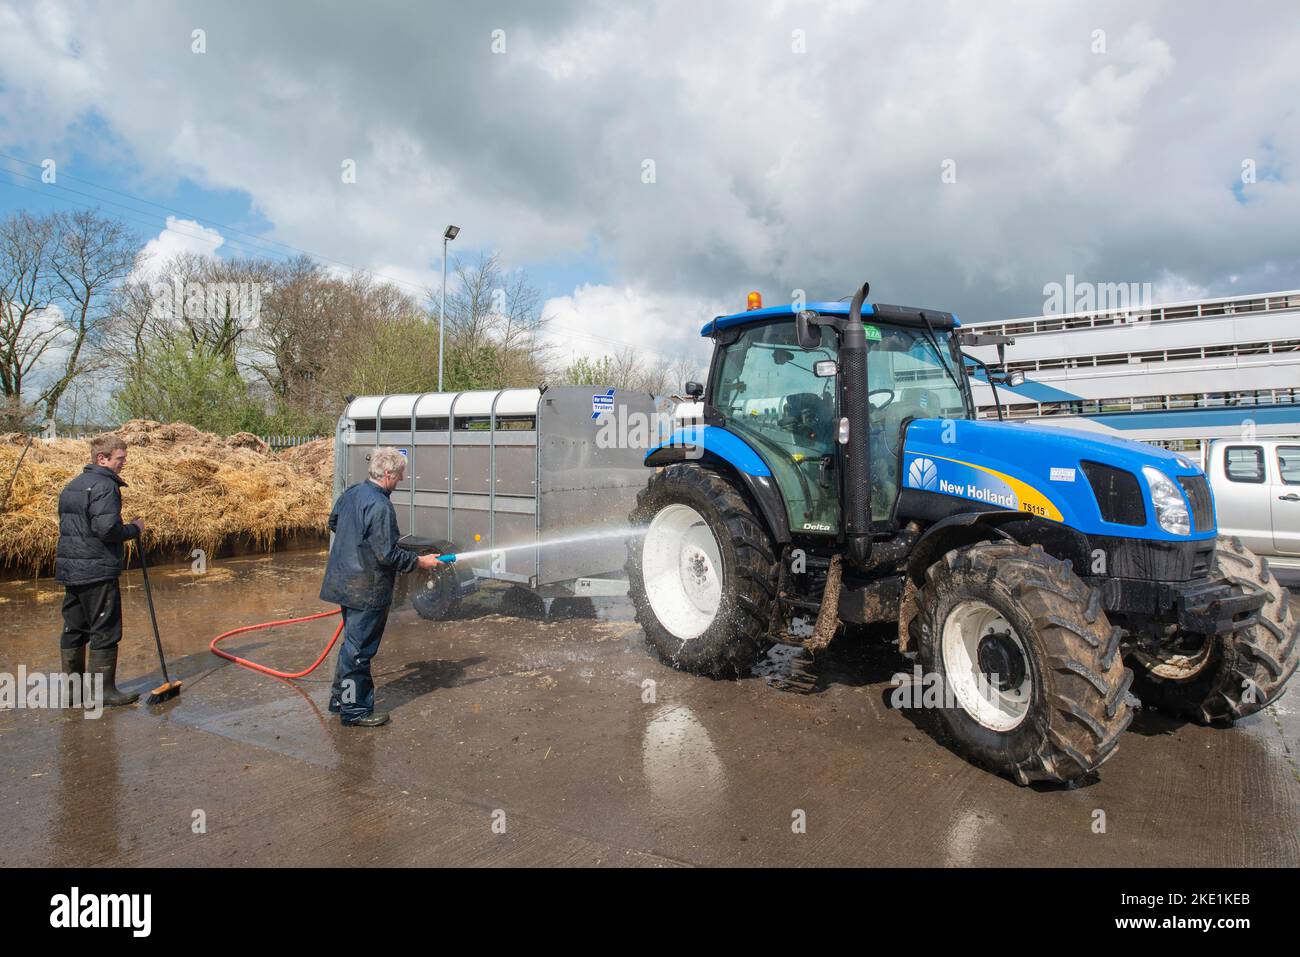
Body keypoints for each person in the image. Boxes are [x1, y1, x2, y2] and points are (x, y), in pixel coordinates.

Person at [320, 447, 442, 727]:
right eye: (399, 476)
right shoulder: (380, 506)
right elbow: (388, 554)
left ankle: (341, 700)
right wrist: (419, 562)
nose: (400, 481)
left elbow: (334, 521)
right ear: (387, 474)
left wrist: (356, 546)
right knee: (359, 651)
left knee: (352, 645)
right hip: (367, 588)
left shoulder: (351, 493)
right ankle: (355, 711)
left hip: (345, 581)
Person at [55, 433, 145, 707]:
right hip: (96, 569)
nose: (124, 463)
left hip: (72, 569)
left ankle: (74, 692)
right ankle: (102, 691)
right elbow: (107, 529)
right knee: (104, 628)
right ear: (102, 458)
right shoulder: (105, 486)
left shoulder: (73, 485)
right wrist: (134, 529)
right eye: (120, 458)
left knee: (74, 627)